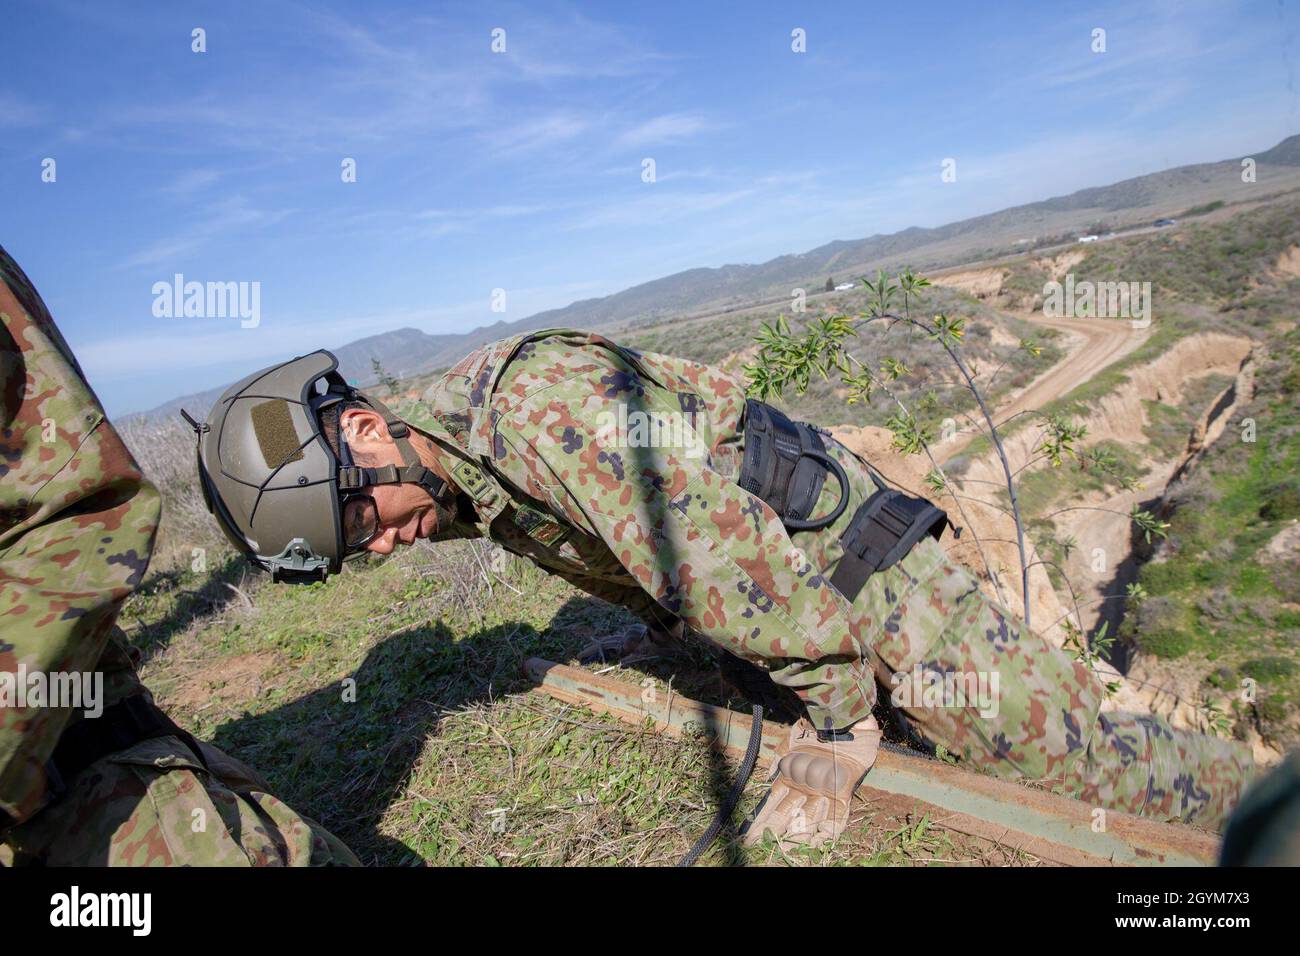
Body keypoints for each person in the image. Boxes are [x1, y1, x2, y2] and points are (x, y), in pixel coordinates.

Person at [192, 327, 1255, 845]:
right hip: (771, 564)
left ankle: (1256, 803)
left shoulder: (533, 410)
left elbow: (715, 556)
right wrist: (658, 629)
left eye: (357, 525)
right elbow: (607, 550)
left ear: (369, 433)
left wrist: (841, 720)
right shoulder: (454, 465)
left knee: (1048, 750)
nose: (379, 549)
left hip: (850, 548)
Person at [0, 243, 357, 865]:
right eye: (360, 527)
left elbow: (70, 511)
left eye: (363, 523)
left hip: (61, 765)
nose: (386, 544)